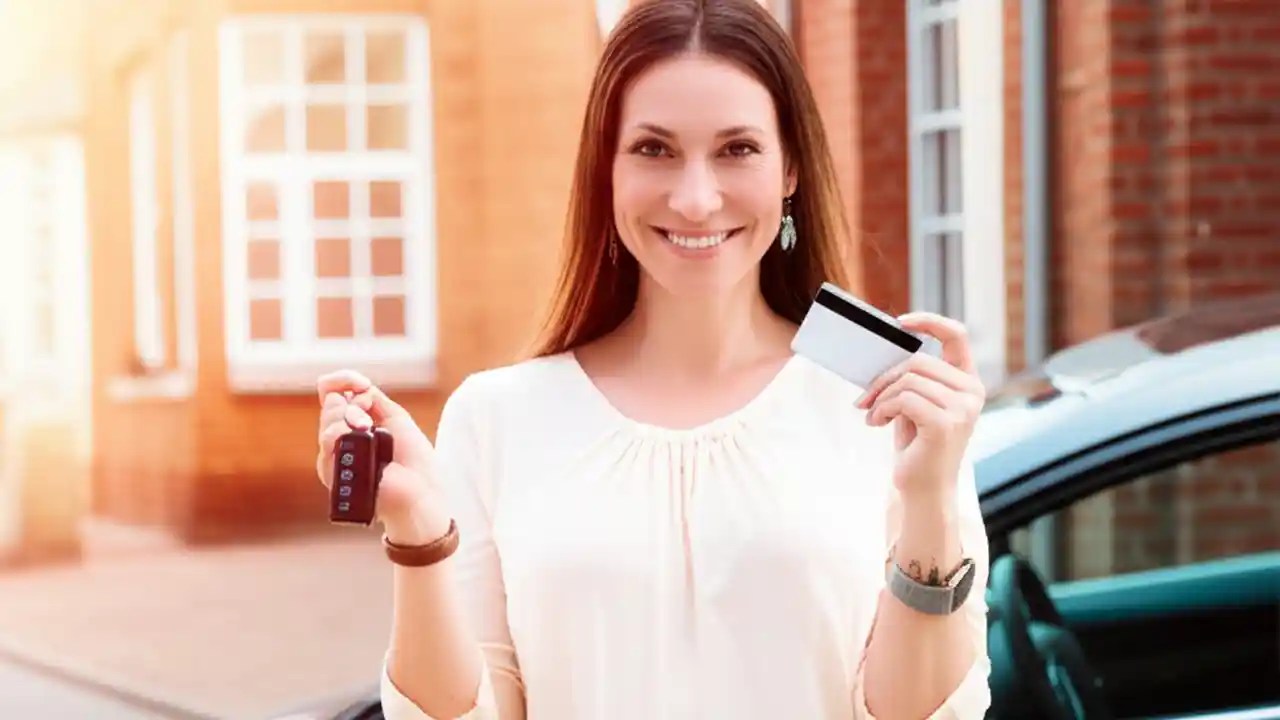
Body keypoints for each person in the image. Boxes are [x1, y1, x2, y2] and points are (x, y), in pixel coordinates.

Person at [315, 1, 991, 718]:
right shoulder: (496, 420)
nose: (696, 199)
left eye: (737, 149)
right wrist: (418, 535)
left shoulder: (894, 412)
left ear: (789, 165)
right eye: (654, 149)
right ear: (605, 171)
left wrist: (929, 502)